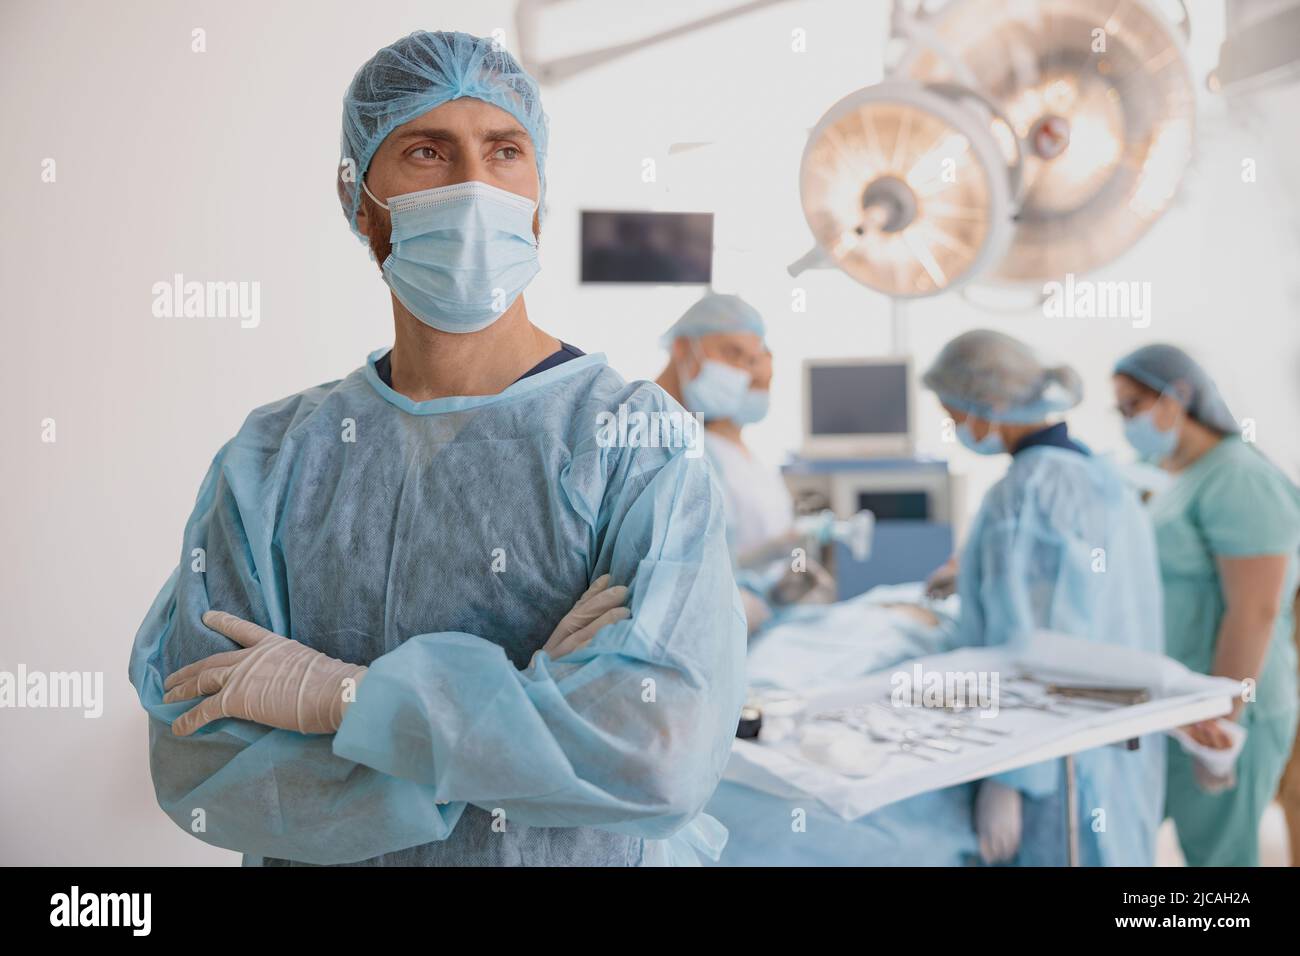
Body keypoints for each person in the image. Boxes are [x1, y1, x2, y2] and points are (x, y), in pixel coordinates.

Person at [127, 30, 745, 867]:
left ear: (538, 196)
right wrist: (519, 720)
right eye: (427, 151)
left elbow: (660, 754)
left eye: (504, 151)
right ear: (358, 200)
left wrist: (348, 702)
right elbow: (203, 763)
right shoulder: (272, 461)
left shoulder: (635, 442)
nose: (474, 186)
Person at [923, 329, 1166, 866]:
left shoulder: (1029, 492)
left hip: (1055, 762)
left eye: (954, 414)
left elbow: (1038, 646)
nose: (956, 428)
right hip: (1110, 741)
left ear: (989, 405)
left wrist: (1013, 777)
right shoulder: (1102, 476)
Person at [1114, 343, 1300, 866]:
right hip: (1178, 702)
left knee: (1219, 867)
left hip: (1231, 708)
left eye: (1134, 406)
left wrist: (1224, 720)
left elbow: (1256, 612)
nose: (1127, 421)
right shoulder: (1174, 472)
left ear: (1177, 398)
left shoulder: (1239, 476)